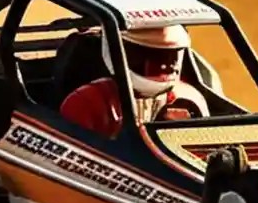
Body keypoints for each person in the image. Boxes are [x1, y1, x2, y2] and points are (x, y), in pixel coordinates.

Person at [60, 24, 208, 138]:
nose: (166, 64)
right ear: (120, 51)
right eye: (153, 55)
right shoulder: (87, 103)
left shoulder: (190, 99)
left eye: (172, 54)